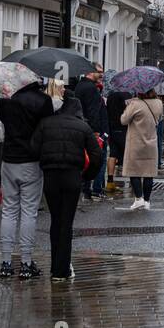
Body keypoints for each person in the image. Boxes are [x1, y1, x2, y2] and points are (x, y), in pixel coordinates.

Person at [32, 95, 104, 281]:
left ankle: (55, 264)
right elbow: (97, 155)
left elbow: (33, 148)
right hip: (72, 176)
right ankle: (61, 269)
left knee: (55, 220)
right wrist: (87, 176)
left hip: (51, 176)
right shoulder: (83, 127)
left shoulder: (45, 124)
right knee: (67, 223)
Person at [0, 80, 54, 279]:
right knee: (29, 211)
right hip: (31, 159)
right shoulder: (43, 100)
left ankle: (5, 261)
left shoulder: (5, 98)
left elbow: (4, 122)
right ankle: (26, 262)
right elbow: (47, 128)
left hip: (9, 158)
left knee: (9, 209)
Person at [121, 89, 163, 209]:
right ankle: (147, 201)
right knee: (148, 173)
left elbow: (123, 120)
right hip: (151, 143)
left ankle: (138, 198)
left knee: (134, 172)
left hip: (136, 143)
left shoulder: (135, 104)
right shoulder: (158, 103)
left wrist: (128, 106)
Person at [74, 66, 109, 202]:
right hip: (91, 130)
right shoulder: (91, 89)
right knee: (96, 160)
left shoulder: (80, 86)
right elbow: (93, 111)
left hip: (82, 127)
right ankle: (90, 190)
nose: (101, 75)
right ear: (89, 71)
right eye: (99, 72)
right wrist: (95, 131)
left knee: (85, 159)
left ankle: (86, 189)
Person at [105, 83, 130, 195]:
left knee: (113, 155)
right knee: (130, 155)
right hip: (124, 129)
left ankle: (110, 182)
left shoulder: (110, 96)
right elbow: (129, 112)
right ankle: (135, 181)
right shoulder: (127, 95)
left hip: (112, 129)